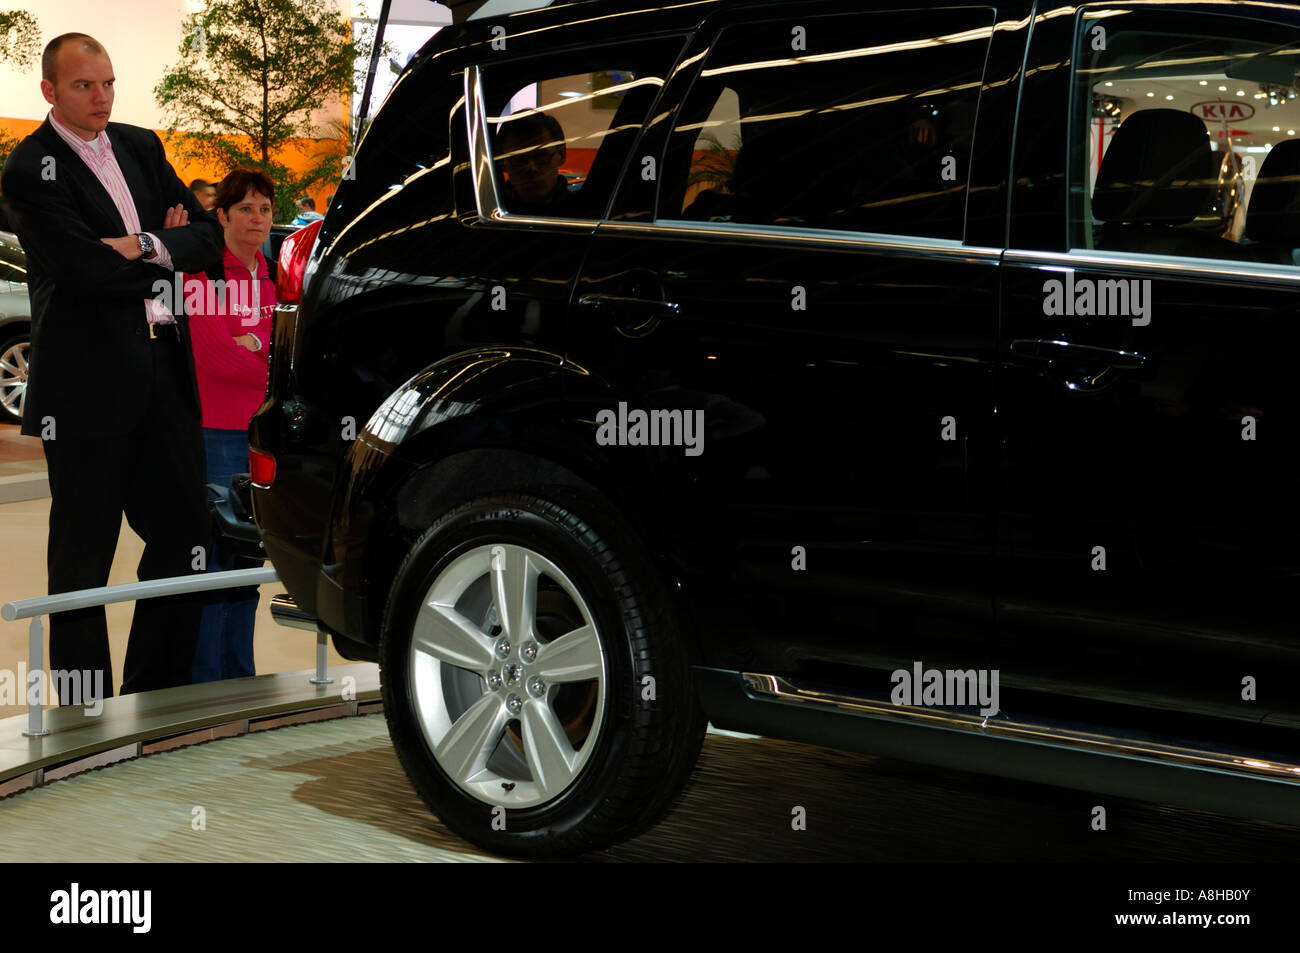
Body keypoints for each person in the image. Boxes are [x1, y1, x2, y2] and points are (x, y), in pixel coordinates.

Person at [0, 33, 222, 701]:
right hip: (85, 392)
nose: (100, 97)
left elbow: (207, 241)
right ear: (49, 92)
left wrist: (144, 243)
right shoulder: (29, 167)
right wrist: (165, 249)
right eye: (83, 86)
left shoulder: (141, 146)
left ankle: (156, 695)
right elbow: (81, 270)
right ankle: (80, 711)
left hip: (164, 382)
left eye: (108, 83)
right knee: (81, 560)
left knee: (188, 537)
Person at [185, 169, 276, 682]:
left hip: (260, 436)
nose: (256, 219)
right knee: (213, 565)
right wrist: (260, 351)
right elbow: (217, 358)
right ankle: (204, 686)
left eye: (264, 209)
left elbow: (282, 347)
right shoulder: (202, 275)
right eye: (244, 209)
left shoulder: (273, 273)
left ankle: (240, 679)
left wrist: (256, 344)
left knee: (247, 566)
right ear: (220, 216)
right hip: (216, 435)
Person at [496, 112, 570, 214]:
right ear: (502, 163)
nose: (531, 168)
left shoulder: (492, 213)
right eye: (519, 159)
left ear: (561, 154)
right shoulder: (581, 215)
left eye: (541, 157)